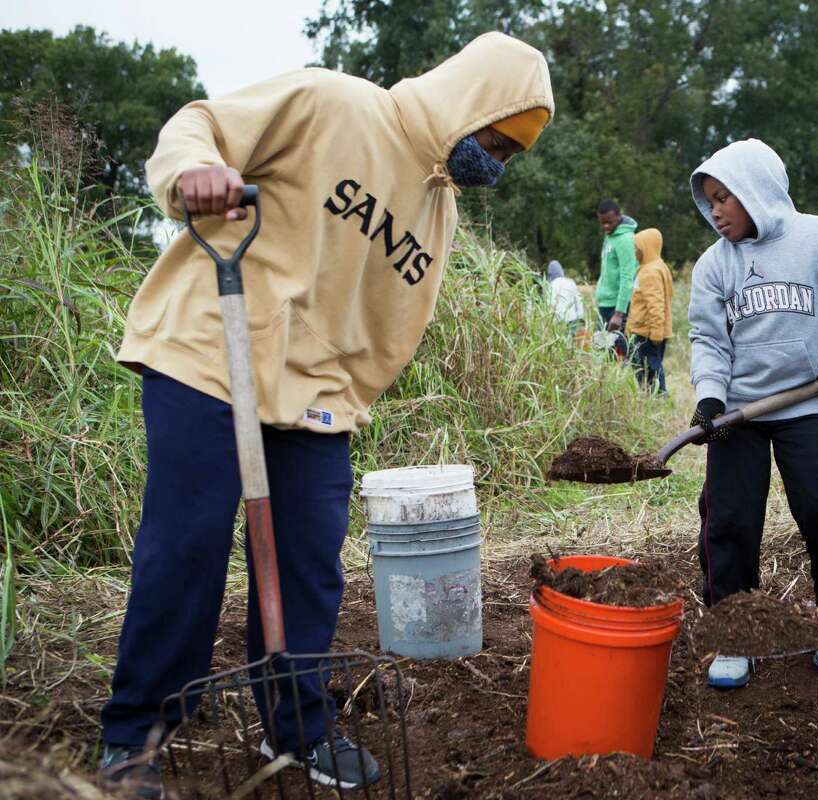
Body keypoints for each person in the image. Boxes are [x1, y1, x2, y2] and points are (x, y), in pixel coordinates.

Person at [98, 32, 553, 798]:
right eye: (496, 138)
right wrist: (194, 173)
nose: (496, 162)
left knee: (310, 561)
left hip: (313, 395)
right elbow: (198, 121)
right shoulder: (333, 103)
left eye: (509, 153)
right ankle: (135, 738)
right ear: (472, 102)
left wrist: (341, 397)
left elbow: (390, 327)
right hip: (211, 347)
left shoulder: (437, 211)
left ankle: (299, 728)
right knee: (188, 545)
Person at [687, 139, 818, 689]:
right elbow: (707, 337)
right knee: (729, 521)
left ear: (758, 190)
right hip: (738, 416)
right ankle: (734, 634)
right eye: (709, 201)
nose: (717, 211)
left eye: (726, 197)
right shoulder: (714, 265)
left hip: (805, 406)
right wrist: (709, 395)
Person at [626, 228, 674, 393]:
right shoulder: (658, 266)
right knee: (651, 365)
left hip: (646, 333)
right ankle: (651, 396)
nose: (635, 251)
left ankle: (658, 396)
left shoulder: (650, 272)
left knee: (649, 367)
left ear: (646, 247)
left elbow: (656, 305)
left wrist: (655, 333)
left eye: (637, 248)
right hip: (650, 330)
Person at [594, 198, 638, 359]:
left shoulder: (625, 239)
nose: (606, 227)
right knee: (600, 352)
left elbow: (628, 277)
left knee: (622, 355)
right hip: (604, 304)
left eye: (609, 222)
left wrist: (619, 313)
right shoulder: (609, 236)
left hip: (617, 307)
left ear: (619, 216)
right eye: (602, 223)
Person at [545, 260, 584, 335]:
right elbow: (578, 301)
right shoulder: (570, 282)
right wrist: (580, 317)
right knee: (575, 343)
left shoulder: (550, 286)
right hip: (574, 320)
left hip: (559, 322)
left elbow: (549, 306)